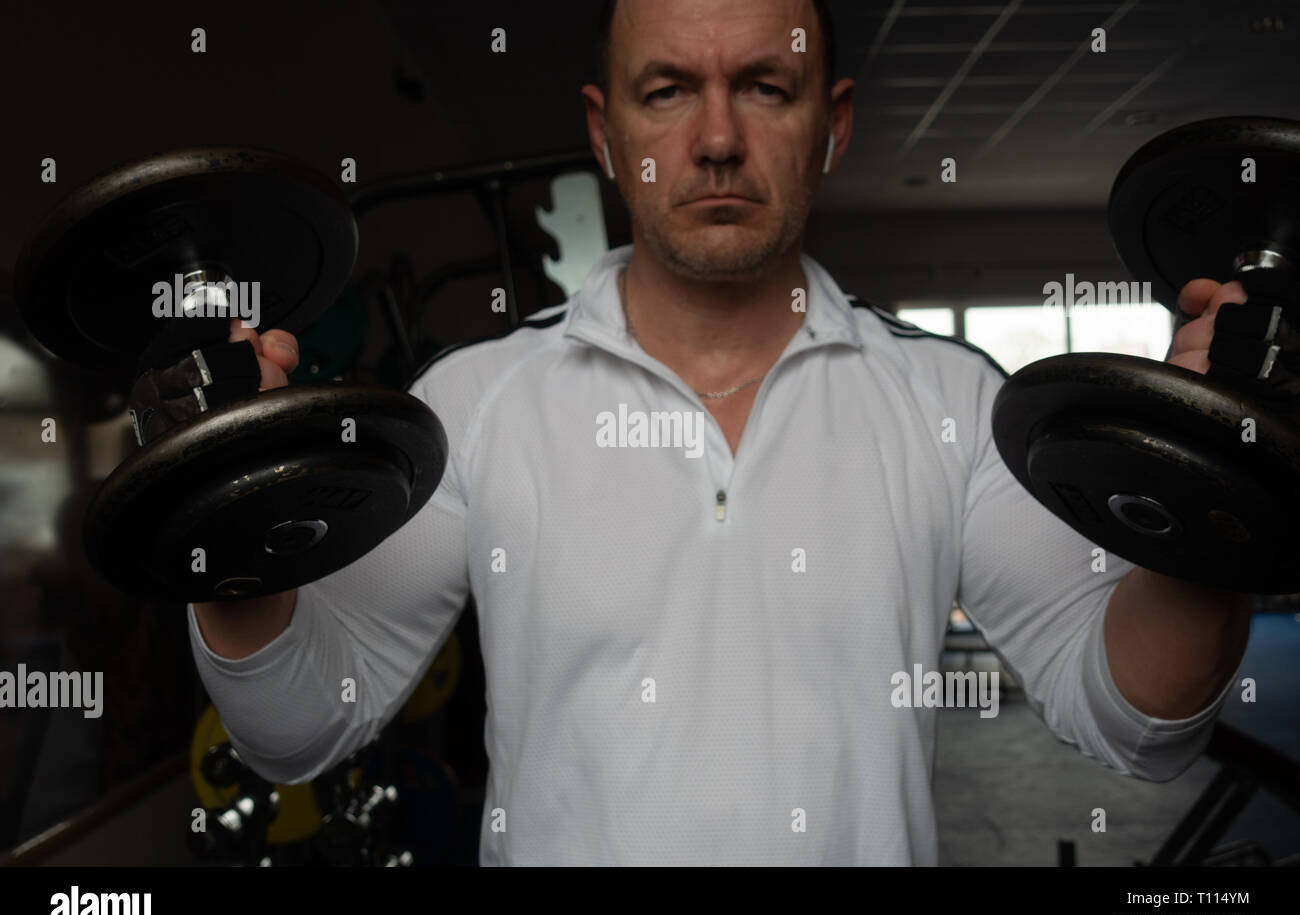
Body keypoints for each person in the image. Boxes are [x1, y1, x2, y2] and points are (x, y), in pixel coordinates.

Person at [189, 0, 1253, 864]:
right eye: (666, 91)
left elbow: (1138, 723)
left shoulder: (952, 396)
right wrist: (227, 522)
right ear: (605, 132)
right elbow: (296, 729)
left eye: (764, 86)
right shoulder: (473, 401)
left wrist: (1210, 476)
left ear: (832, 122)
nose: (714, 141)